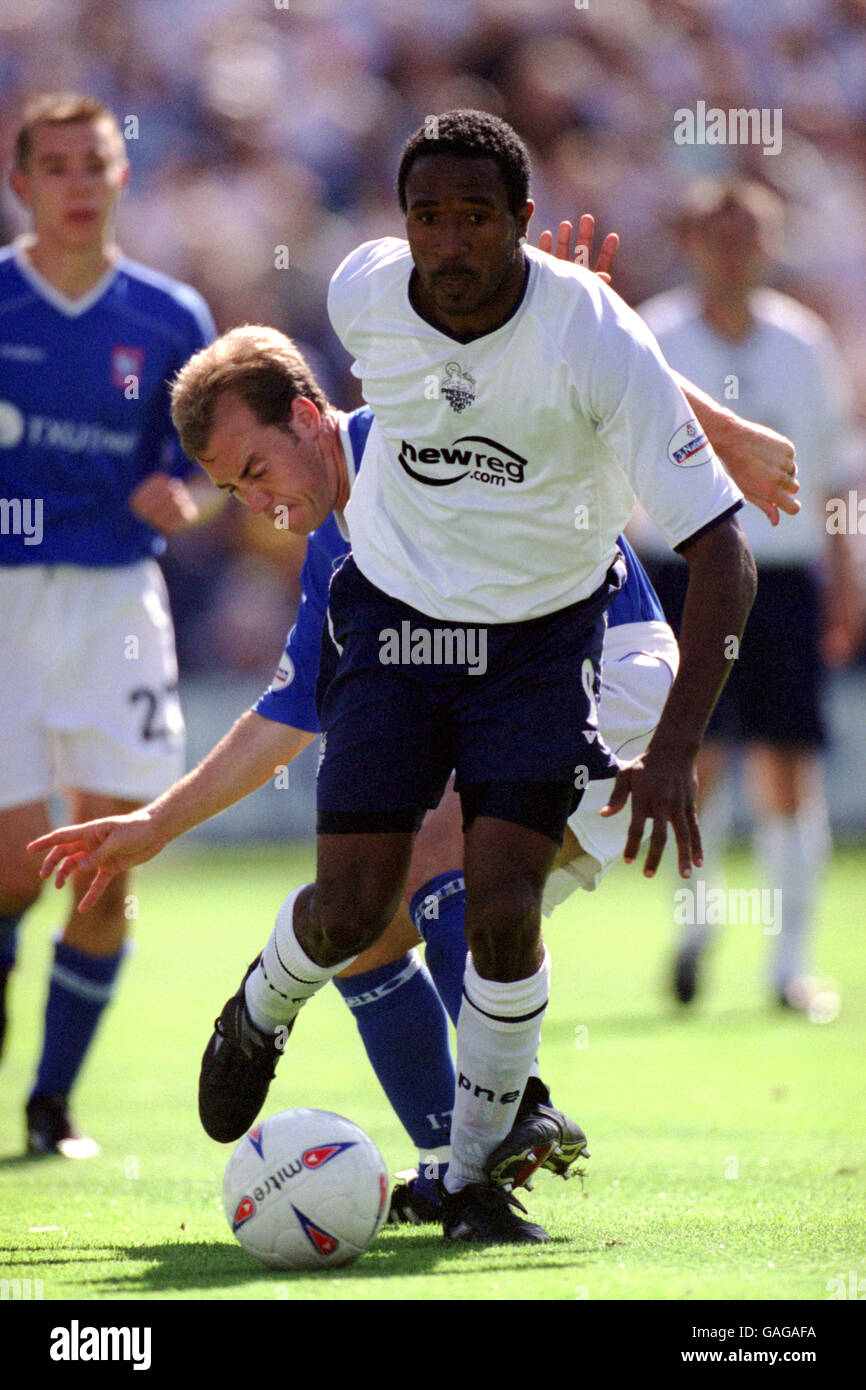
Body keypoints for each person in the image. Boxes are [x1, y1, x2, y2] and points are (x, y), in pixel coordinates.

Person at [30, 306, 795, 1220]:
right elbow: (286, 715)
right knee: (371, 919)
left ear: (310, 419)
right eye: (233, 491)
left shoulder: (424, 420)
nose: (257, 505)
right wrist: (156, 824)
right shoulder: (334, 542)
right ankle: (464, 1170)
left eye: (257, 470)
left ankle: (502, 1115)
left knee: (434, 844)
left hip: (611, 673)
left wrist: (730, 434)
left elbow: (581, 364)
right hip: (519, 704)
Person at [203, 107, 757, 1247]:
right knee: (357, 911)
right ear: (400, 227)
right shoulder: (363, 292)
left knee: (499, 908)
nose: (446, 242)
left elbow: (722, 549)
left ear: (522, 226)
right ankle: (260, 1007)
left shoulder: (590, 333)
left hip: (542, 645)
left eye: (472, 218)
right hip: (397, 626)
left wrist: (675, 750)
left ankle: (466, 1175)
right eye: (425, 218)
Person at [0, 93, 216, 1156]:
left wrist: (189, 492)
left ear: (122, 176)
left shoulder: (170, 317)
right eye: (58, 165)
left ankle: (50, 1102)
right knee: (7, 868)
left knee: (105, 859)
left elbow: (213, 460)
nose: (79, 183)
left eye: (96, 162)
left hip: (117, 601)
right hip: (3, 600)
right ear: (21, 181)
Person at [635, 178, 863, 1016]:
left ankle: (787, 966)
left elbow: (834, 474)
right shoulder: (653, 337)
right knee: (696, 762)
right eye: (717, 236)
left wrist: (844, 579)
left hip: (784, 578)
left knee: (788, 769)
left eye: (748, 237)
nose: (733, 254)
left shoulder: (803, 345)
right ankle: (696, 931)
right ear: (692, 244)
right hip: (685, 571)